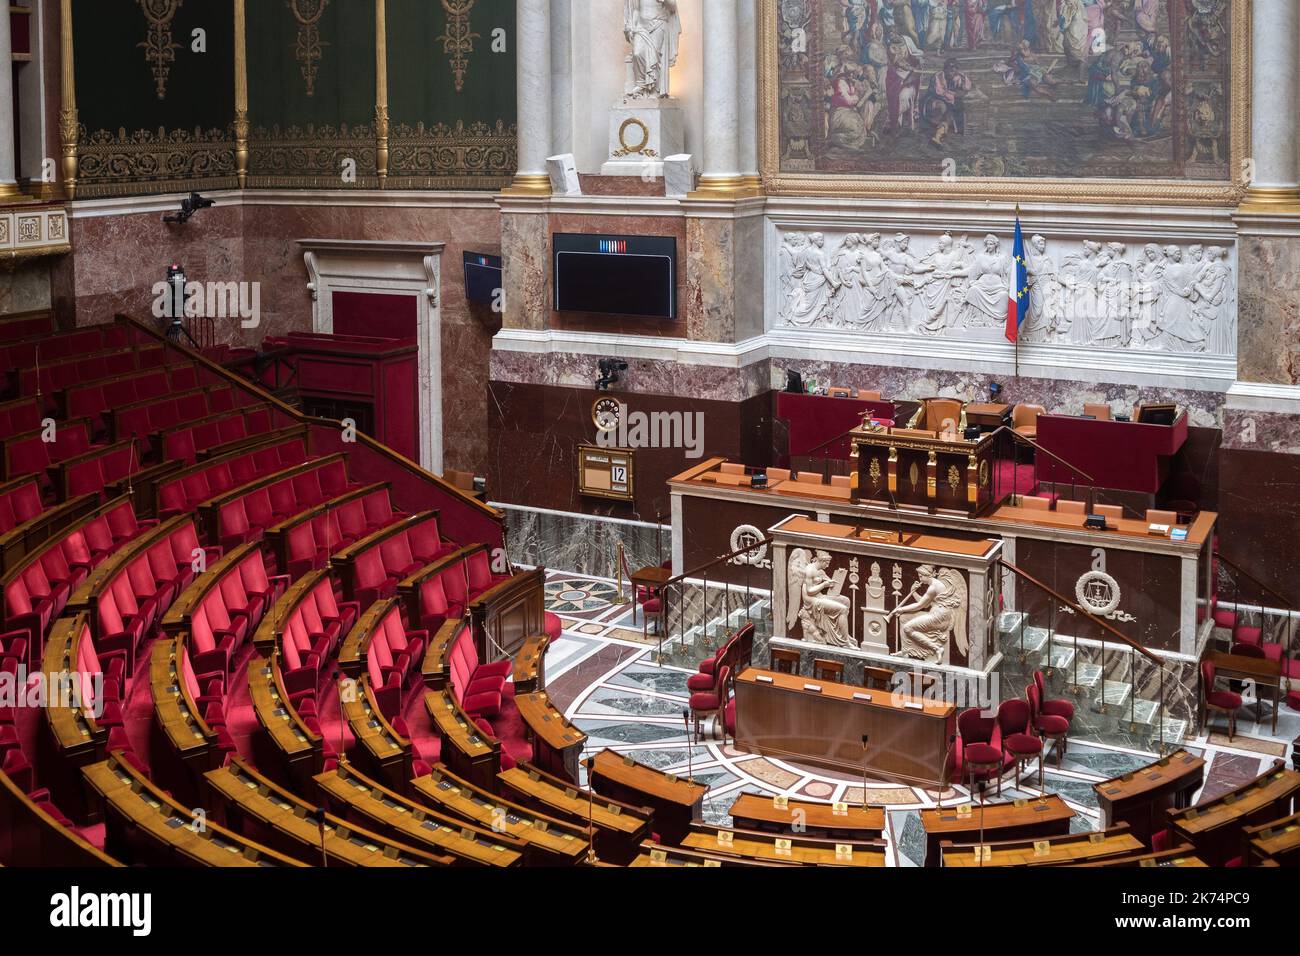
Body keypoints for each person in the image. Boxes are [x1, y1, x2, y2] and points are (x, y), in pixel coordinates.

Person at [921, 58, 972, 145]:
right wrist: (954, 94)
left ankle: (938, 136)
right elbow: (939, 92)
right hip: (934, 99)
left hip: (949, 101)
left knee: (950, 115)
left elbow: (967, 87)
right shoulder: (938, 76)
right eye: (950, 68)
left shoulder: (958, 77)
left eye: (955, 68)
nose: (952, 71)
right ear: (945, 69)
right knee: (941, 108)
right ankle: (935, 130)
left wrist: (962, 76)